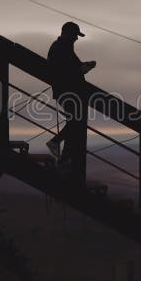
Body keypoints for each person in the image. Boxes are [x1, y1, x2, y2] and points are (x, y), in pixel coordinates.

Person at [46, 22, 96, 170]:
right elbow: (67, 70)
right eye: (75, 35)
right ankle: (56, 143)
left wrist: (84, 66)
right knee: (76, 121)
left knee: (74, 122)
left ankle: (64, 158)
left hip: (67, 91)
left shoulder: (62, 47)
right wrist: (82, 69)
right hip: (67, 91)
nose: (76, 38)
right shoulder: (61, 48)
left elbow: (71, 67)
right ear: (67, 33)